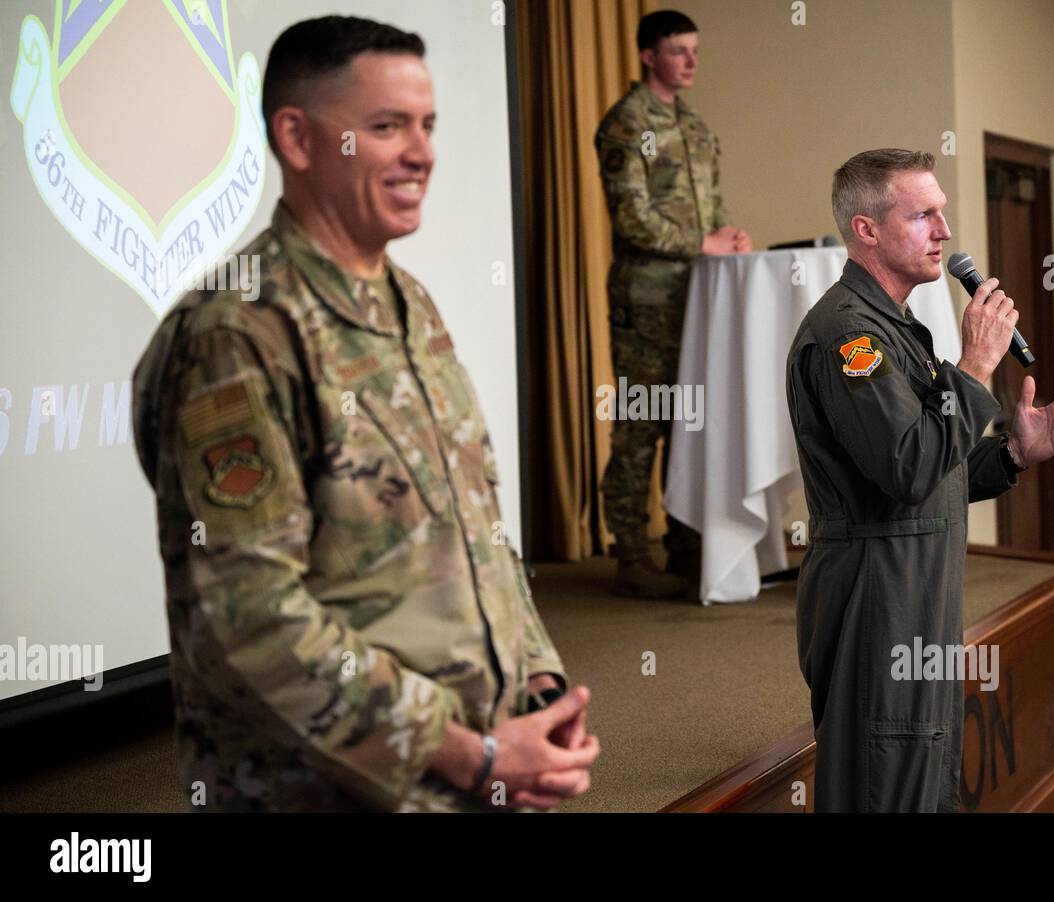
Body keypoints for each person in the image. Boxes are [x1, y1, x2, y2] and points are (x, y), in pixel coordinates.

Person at [131, 15, 598, 813]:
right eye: (386, 127)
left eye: (428, 125)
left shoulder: (409, 301)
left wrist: (533, 690)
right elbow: (251, 620)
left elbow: (472, 520)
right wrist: (470, 754)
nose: (422, 152)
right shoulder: (238, 331)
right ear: (299, 139)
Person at [785, 149, 1054, 812]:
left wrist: (1012, 453)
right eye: (923, 215)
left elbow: (935, 471)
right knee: (884, 783)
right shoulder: (848, 338)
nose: (945, 232)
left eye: (941, 213)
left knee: (922, 776)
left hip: (917, 586)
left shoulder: (901, 331)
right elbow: (910, 467)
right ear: (866, 230)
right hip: (876, 593)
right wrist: (975, 367)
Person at [595, 9, 752, 599]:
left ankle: (687, 546)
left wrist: (726, 236)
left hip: (700, 297)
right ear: (647, 56)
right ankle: (631, 553)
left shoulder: (693, 125)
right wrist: (699, 242)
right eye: (678, 50)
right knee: (642, 420)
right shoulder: (626, 123)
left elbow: (710, 205)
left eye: (695, 50)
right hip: (648, 298)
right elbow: (630, 215)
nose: (690, 61)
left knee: (693, 419)